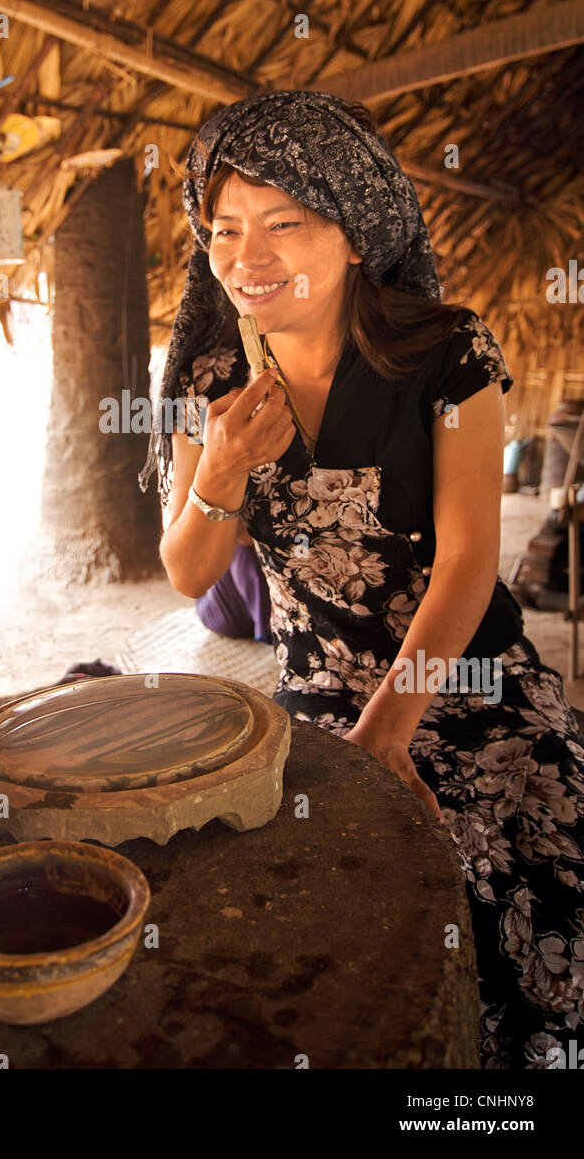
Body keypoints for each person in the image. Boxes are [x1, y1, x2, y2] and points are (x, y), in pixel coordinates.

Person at [139, 90, 584, 1070]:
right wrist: (217, 473)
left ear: (352, 233)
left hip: (469, 685)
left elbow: (469, 561)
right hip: (319, 700)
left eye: (281, 224)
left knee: (536, 867)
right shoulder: (211, 378)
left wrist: (386, 736)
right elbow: (186, 571)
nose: (245, 255)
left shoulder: (444, 352)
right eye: (223, 229)